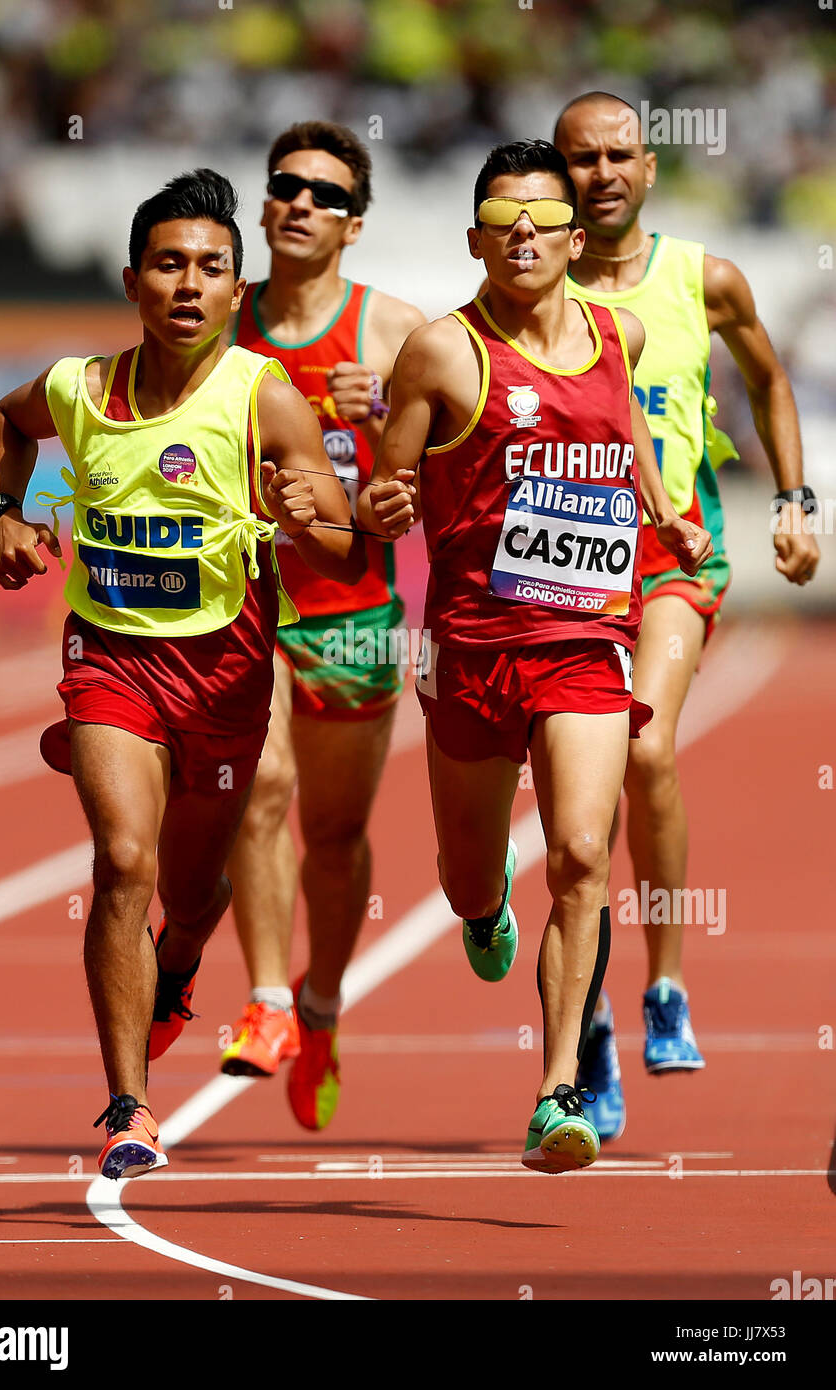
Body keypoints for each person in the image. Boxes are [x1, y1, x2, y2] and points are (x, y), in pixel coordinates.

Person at [0, 168, 362, 1179]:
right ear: (132, 280)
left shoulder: (263, 399)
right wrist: (6, 517)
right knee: (123, 860)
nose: (189, 284)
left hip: (227, 677)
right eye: (168, 265)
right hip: (109, 661)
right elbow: (8, 423)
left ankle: (183, 962)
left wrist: (302, 522)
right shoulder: (77, 389)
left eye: (211, 268)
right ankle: (126, 1109)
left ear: (238, 292)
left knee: (192, 896)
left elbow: (341, 541)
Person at [358, 139, 712, 1173]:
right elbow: (388, 492)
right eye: (500, 218)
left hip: (585, 638)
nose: (521, 233)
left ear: (573, 236)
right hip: (472, 649)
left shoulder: (622, 334)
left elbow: (624, 442)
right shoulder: (439, 352)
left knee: (583, 856)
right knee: (473, 876)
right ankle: (477, 906)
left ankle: (556, 1088)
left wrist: (664, 516)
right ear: (473, 238)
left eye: (540, 218)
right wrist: (384, 503)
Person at [553, 92, 820, 1139]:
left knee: (646, 747)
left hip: (672, 562)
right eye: (581, 159)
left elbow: (769, 381)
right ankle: (591, 1031)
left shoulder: (701, 278)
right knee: (579, 830)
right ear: (556, 173)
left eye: (621, 154)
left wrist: (794, 504)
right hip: (564, 581)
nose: (603, 173)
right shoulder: (530, 295)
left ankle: (665, 983)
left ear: (650, 169)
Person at [216, 121, 425, 1133]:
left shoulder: (391, 333)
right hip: (241, 608)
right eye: (284, 185)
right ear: (262, 206)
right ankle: (263, 1002)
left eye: (324, 193)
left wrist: (381, 420)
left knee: (332, 838)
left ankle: (322, 1004)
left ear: (353, 223)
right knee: (257, 791)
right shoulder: (213, 317)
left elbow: (443, 490)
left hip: (352, 615)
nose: (299, 202)